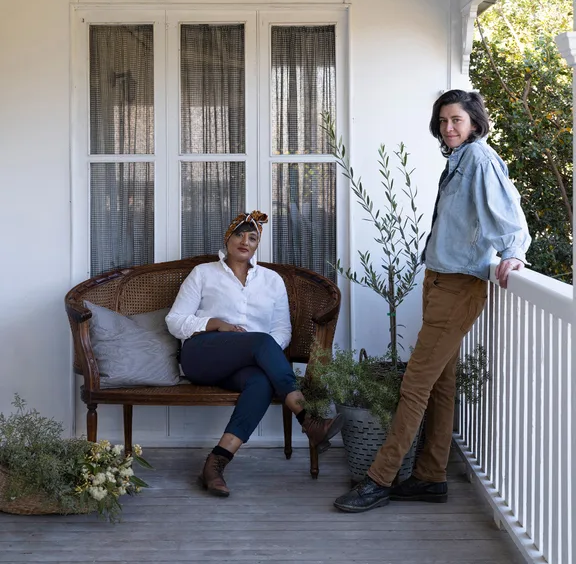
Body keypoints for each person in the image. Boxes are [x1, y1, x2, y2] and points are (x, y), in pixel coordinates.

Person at [334, 89, 531, 513]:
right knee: (441, 382)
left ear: (474, 123)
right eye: (443, 121)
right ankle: (430, 477)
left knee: (415, 384)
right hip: (440, 282)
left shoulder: (479, 159)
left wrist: (513, 253)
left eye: (457, 120)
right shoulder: (457, 162)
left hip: (458, 286)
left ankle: (379, 479)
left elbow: (507, 212)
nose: (449, 127)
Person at [166, 210, 343, 497]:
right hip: (202, 355)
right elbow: (174, 322)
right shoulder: (203, 273)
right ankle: (308, 419)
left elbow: (282, 330)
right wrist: (217, 324)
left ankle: (216, 463)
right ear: (228, 237)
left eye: (252, 237)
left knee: (260, 381)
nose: (245, 242)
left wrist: (261, 351)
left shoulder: (272, 280)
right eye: (239, 234)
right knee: (260, 342)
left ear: (258, 244)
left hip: (247, 360)